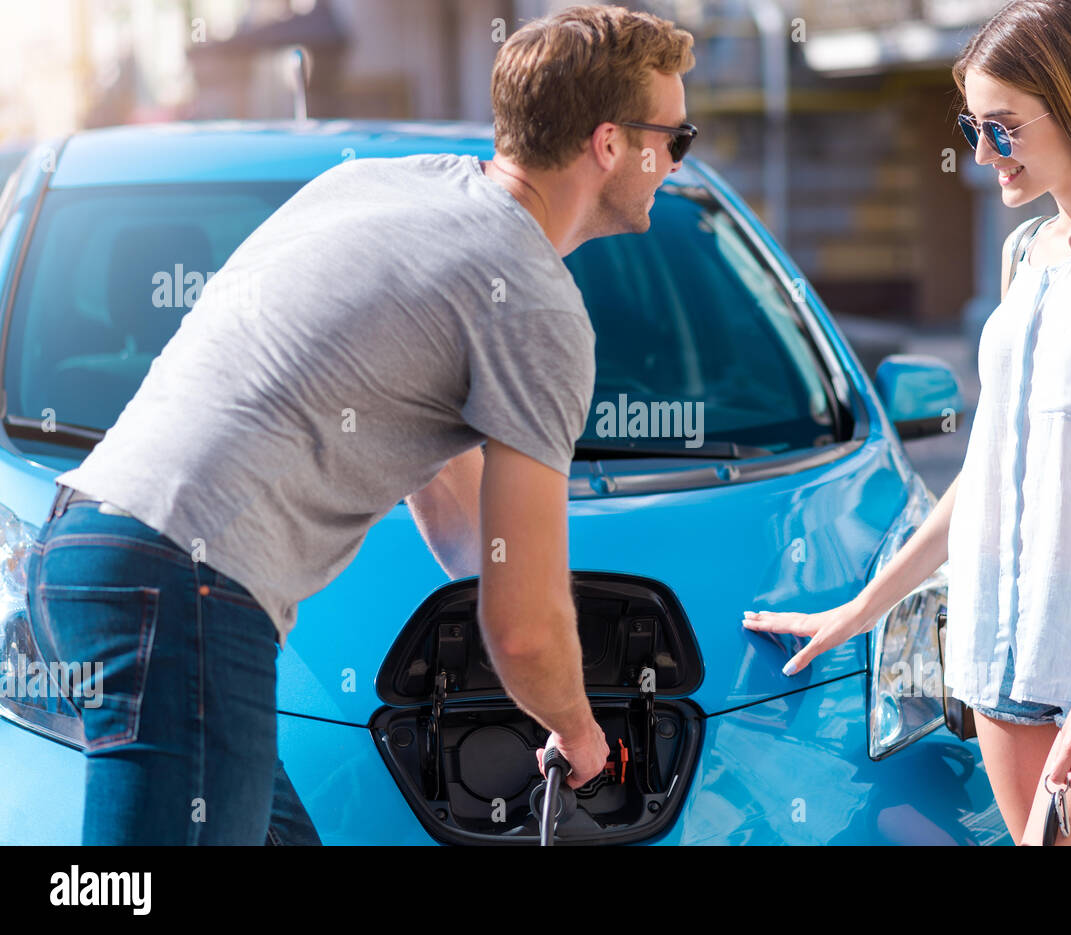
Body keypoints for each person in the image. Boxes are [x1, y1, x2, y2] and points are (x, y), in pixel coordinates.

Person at [28, 3, 695, 844]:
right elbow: (522, 628)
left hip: (87, 550)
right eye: (676, 137)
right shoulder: (534, 303)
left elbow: (455, 513)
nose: (675, 159)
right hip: (184, 586)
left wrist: (561, 652)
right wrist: (579, 726)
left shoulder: (381, 186)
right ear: (609, 144)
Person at [742, 0, 1071, 846]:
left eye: (1002, 127)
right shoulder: (1023, 252)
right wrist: (861, 608)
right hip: (1005, 634)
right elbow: (991, 467)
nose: (979, 153)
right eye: (973, 126)